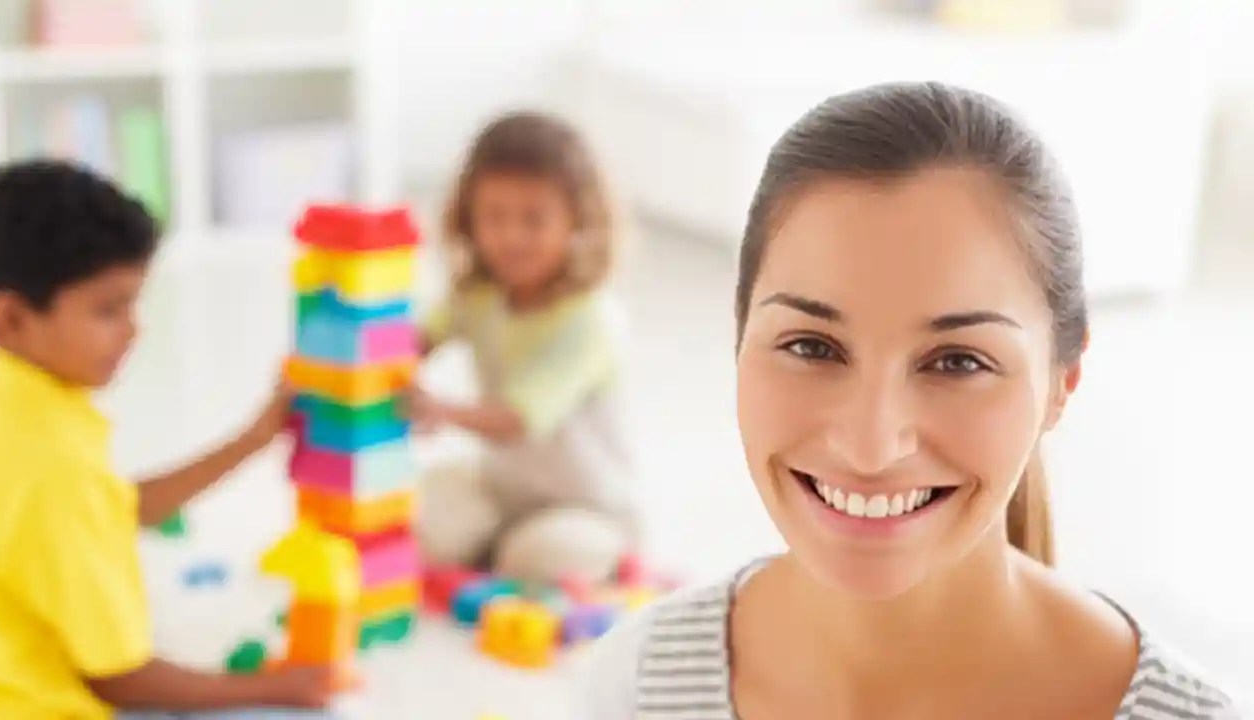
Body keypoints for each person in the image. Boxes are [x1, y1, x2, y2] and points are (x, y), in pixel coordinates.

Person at [578, 82, 1242, 718]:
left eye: (958, 361)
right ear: (740, 339)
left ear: (1061, 383)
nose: (870, 446)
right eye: (812, 347)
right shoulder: (639, 682)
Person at [0, 160, 336, 718]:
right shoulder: (54, 467)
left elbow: (117, 507)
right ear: (14, 317)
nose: (134, 328)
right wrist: (279, 687)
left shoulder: (4, 395)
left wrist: (253, 439)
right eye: (107, 309)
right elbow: (120, 678)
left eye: (134, 302)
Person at [413, 111, 638, 585]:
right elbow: (417, 341)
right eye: (494, 217)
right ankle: (494, 541)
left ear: (576, 219)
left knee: (534, 559)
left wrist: (439, 411)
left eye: (533, 220)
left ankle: (580, 552)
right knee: (416, 513)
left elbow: (517, 418)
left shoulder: (590, 319)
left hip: (586, 503)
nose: (511, 237)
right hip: (502, 488)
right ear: (468, 217)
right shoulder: (478, 296)